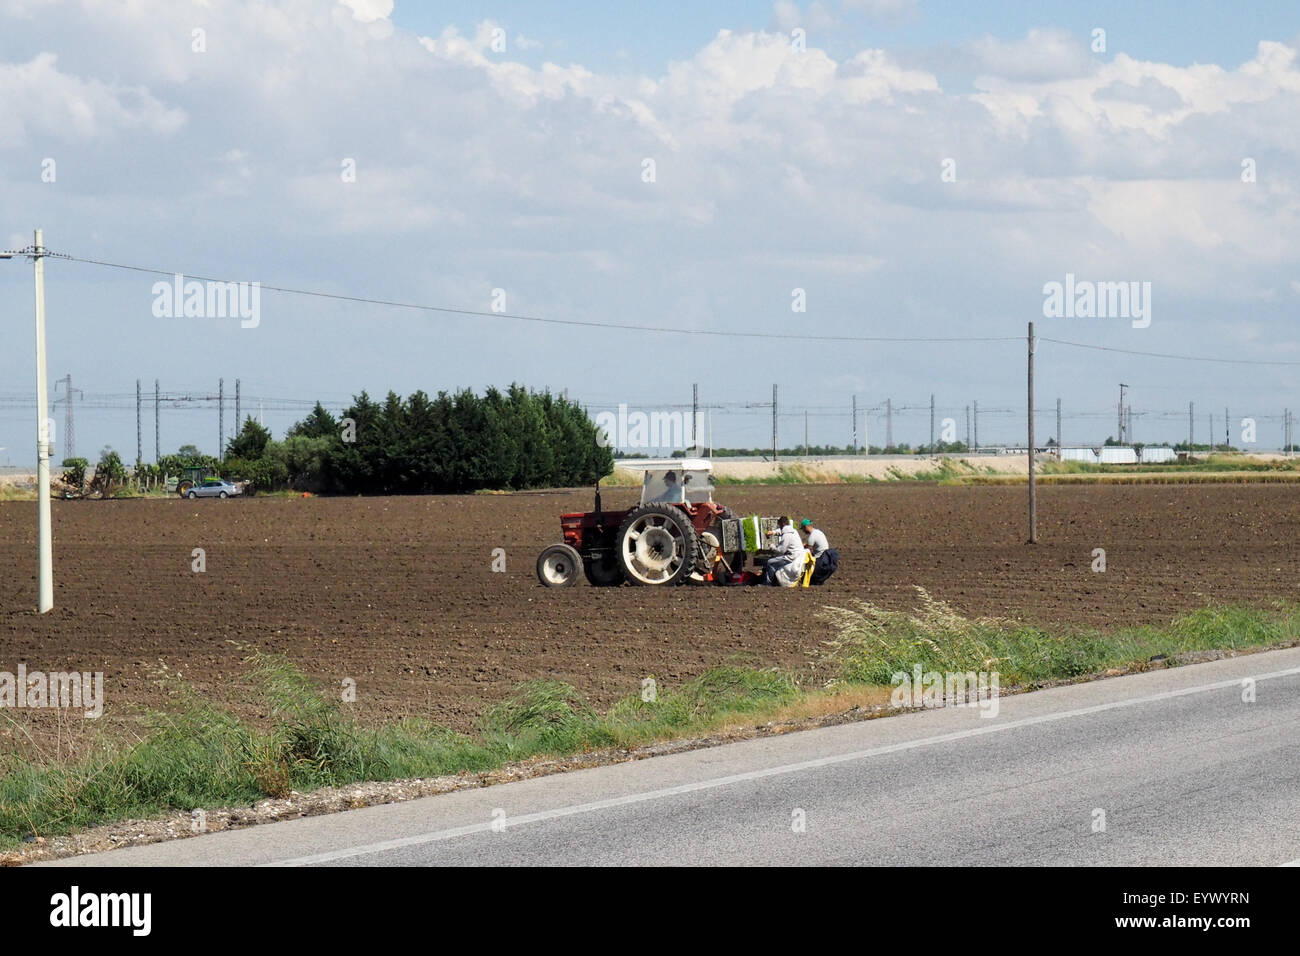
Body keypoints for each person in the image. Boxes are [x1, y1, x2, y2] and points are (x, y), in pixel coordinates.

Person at [762, 516, 807, 586]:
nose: (779, 527)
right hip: (799, 554)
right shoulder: (793, 531)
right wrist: (773, 532)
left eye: (779, 525)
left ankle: (768, 583)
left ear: (782, 524)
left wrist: (772, 547)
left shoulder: (786, 535)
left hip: (792, 557)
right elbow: (781, 531)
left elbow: (781, 551)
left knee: (770, 562)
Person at [800, 518, 839, 585]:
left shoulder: (811, 536)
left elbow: (809, 551)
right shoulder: (818, 532)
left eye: (803, 529)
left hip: (819, 559)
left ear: (806, 527)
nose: (803, 531)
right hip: (826, 556)